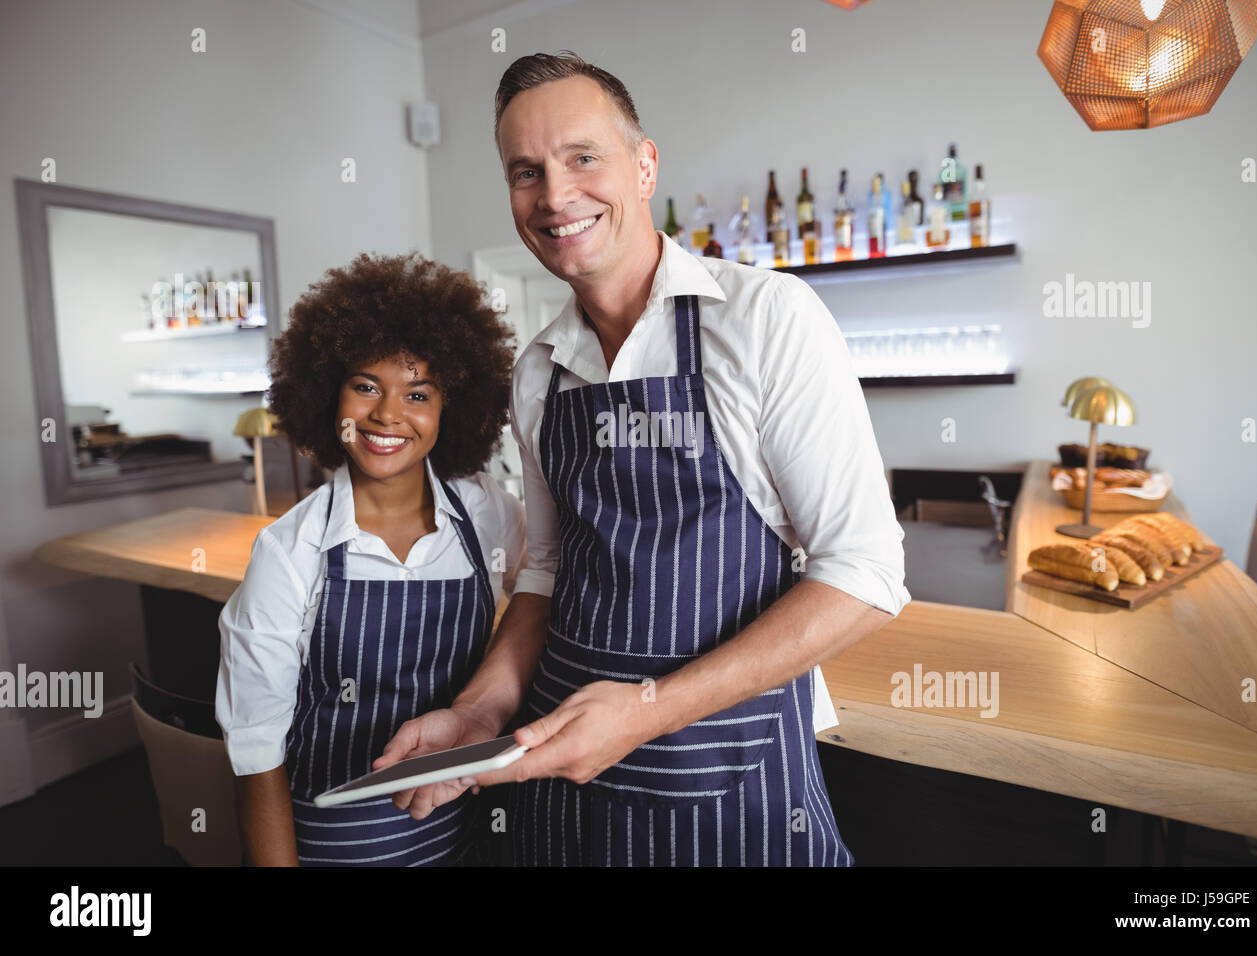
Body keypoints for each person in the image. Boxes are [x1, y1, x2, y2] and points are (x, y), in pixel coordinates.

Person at [376, 52, 910, 866]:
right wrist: (482, 713)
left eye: (582, 157)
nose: (554, 196)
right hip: (561, 778)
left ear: (645, 165)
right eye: (526, 172)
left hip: (729, 782)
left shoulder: (768, 320)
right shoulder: (538, 373)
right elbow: (546, 572)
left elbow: (864, 576)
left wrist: (648, 711)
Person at [215, 252, 525, 865]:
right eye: (365, 386)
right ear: (328, 396)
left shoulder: (487, 512)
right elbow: (256, 757)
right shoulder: (289, 552)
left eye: (418, 392)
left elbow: (547, 595)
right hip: (339, 849)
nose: (387, 414)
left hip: (466, 832)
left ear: (449, 409)